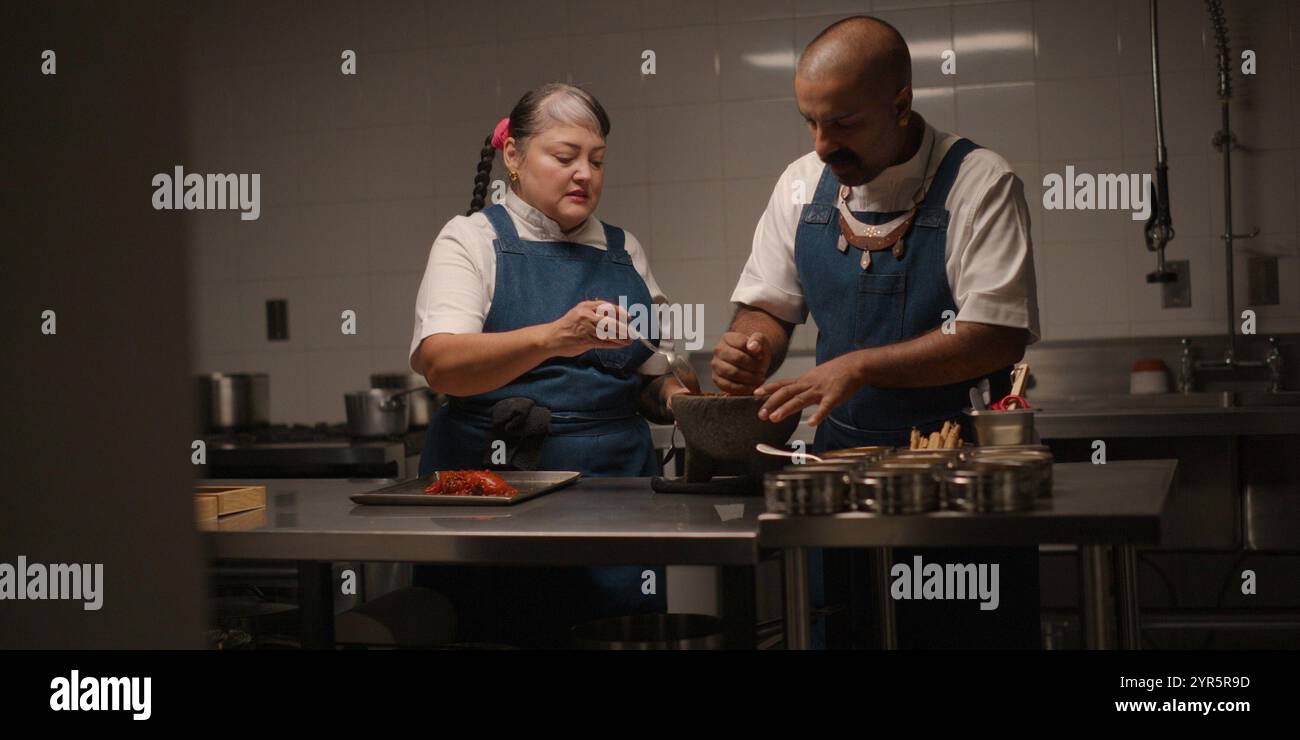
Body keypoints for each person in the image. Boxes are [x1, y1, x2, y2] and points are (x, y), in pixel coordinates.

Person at [712, 17, 1042, 648]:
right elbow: (770, 309)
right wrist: (750, 345)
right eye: (810, 121)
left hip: (960, 479)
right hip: (843, 477)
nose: (822, 143)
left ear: (901, 104)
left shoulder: (979, 182)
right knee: (852, 628)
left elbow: (995, 336)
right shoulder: (800, 186)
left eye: (843, 123)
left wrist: (859, 366)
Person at [409, 83, 686, 647]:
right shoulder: (472, 240)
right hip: (494, 500)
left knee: (617, 633)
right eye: (564, 157)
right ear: (512, 156)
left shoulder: (622, 249)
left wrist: (683, 399)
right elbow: (442, 364)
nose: (584, 173)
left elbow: (651, 376)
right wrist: (555, 338)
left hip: (617, 500)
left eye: (597, 160)